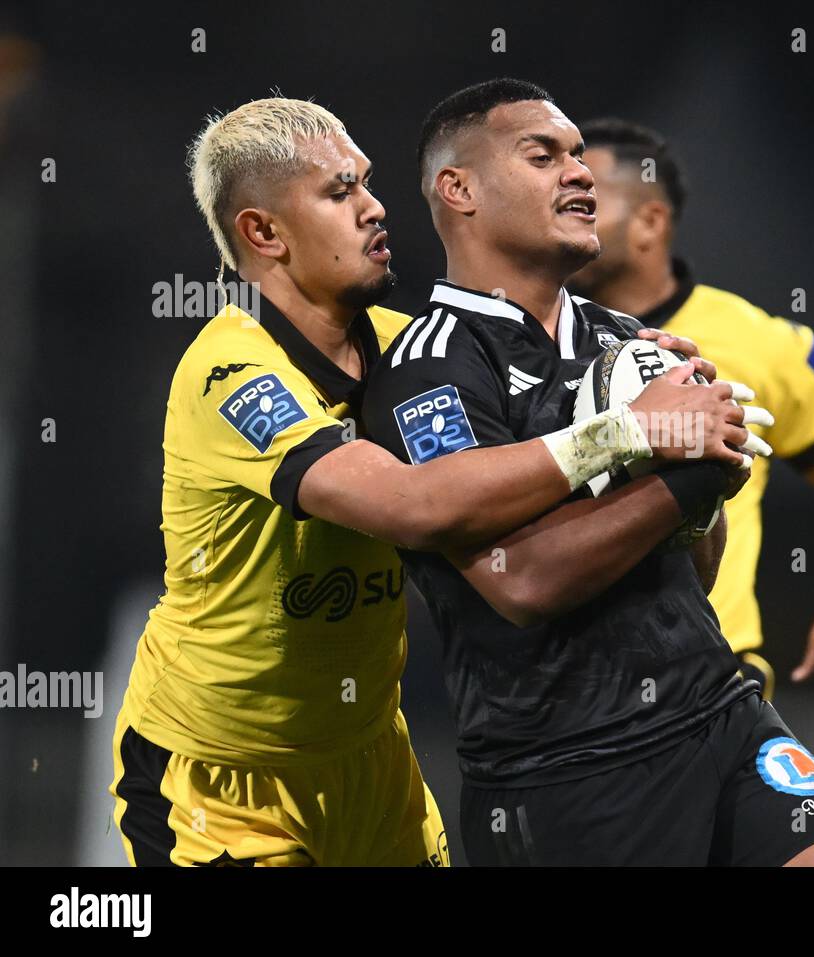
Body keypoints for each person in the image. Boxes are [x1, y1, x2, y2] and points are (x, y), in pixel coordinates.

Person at [110, 96, 739, 866]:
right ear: (263, 232)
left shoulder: (407, 349)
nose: (375, 208)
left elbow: (527, 454)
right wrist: (631, 427)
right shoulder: (230, 372)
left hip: (371, 757)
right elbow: (417, 504)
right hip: (224, 777)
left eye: (368, 184)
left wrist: (622, 368)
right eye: (340, 193)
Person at [361, 78, 814, 865]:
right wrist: (680, 476)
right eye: (544, 155)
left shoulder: (629, 340)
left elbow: (696, 566)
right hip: (566, 763)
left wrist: (713, 471)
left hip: (717, 706)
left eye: (579, 155)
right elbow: (522, 581)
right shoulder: (429, 367)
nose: (578, 173)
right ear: (458, 189)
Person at [569, 118, 814, 735]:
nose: (569, 206)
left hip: (719, 678)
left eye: (589, 196)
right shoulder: (523, 337)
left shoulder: (761, 342)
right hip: (570, 685)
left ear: (650, 221)